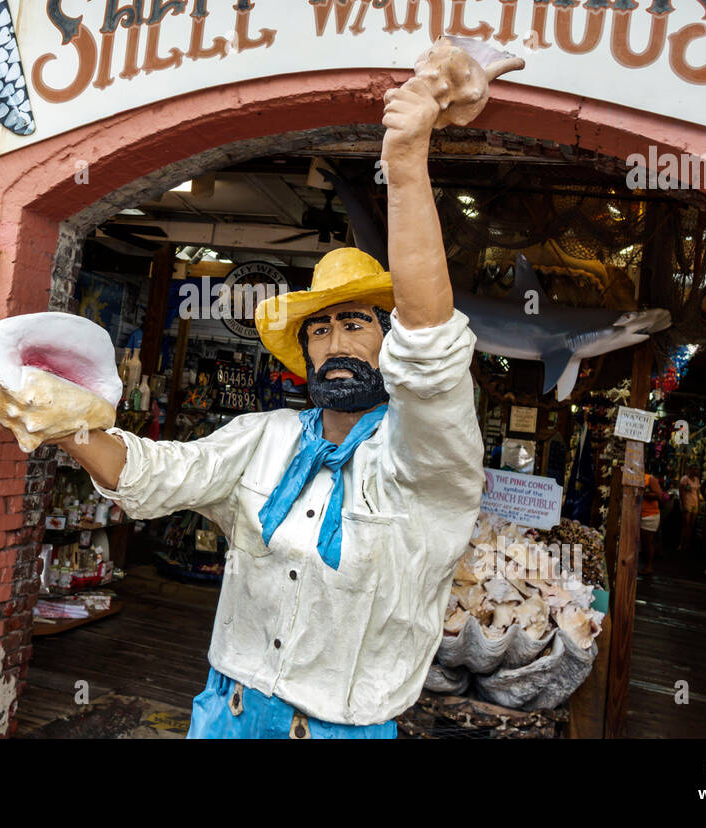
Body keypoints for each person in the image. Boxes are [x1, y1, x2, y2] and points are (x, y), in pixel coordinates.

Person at [40, 40, 517, 738]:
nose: (334, 345)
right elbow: (153, 475)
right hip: (224, 714)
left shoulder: (423, 463)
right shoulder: (263, 439)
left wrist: (407, 162)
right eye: (318, 332)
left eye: (356, 324)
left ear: (388, 339)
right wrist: (59, 420)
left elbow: (431, 351)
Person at [640, 472, 665, 574]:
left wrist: (643, 493)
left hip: (649, 515)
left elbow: (659, 495)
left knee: (647, 543)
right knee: (643, 543)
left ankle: (649, 566)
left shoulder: (650, 478)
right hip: (639, 514)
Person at [677, 464, 702, 551]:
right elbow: (682, 492)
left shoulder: (697, 480)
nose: (695, 471)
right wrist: (683, 504)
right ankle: (681, 543)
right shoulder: (685, 479)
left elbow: (697, 493)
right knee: (685, 524)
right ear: (689, 470)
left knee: (692, 524)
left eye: (696, 470)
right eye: (693, 469)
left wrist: (698, 504)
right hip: (687, 502)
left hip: (694, 503)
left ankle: (688, 543)